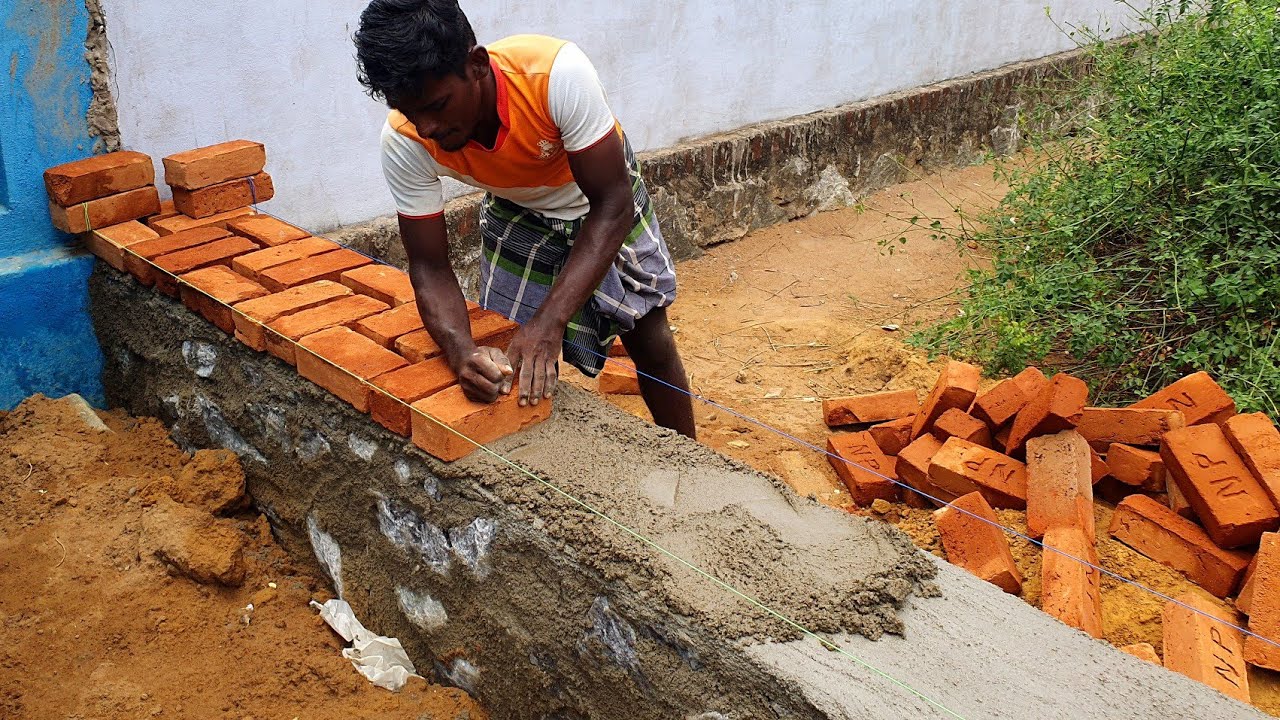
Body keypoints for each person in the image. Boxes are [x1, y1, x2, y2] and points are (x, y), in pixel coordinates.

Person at [354, 0, 695, 438]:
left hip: (599, 195)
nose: (427, 127)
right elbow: (430, 265)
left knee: (648, 337)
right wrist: (461, 354)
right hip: (517, 205)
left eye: (437, 105)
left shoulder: (554, 76)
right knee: (505, 350)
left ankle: (691, 458)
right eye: (409, 110)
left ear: (476, 65)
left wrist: (549, 322)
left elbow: (613, 204)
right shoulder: (404, 140)